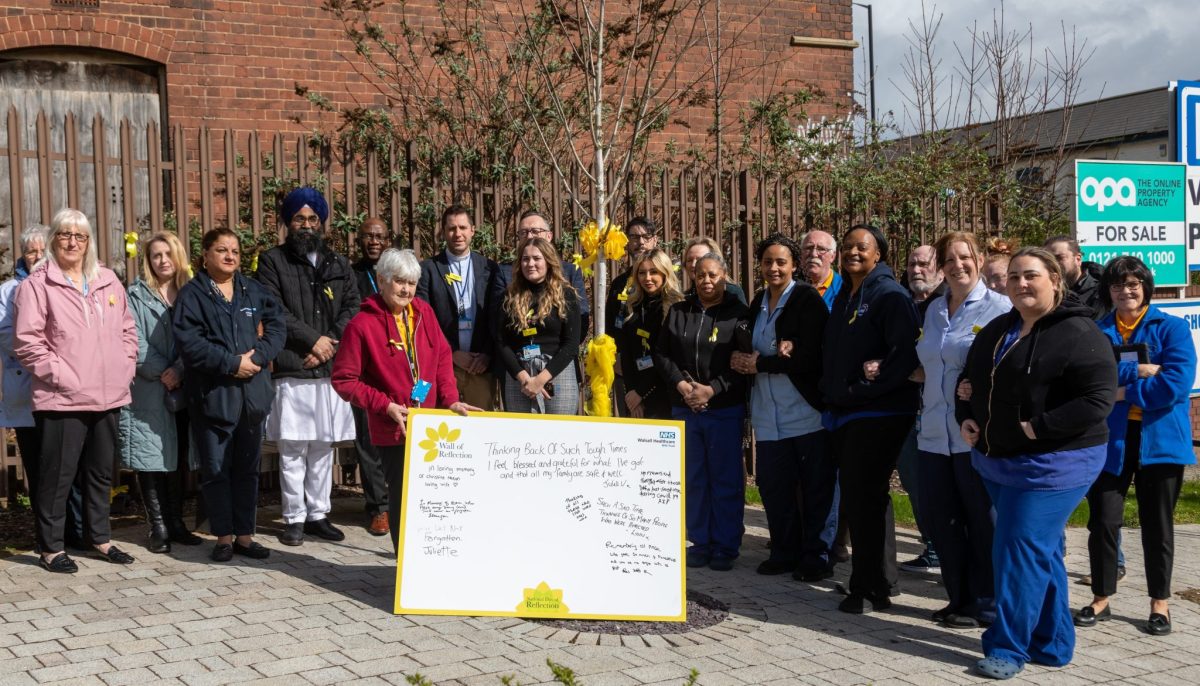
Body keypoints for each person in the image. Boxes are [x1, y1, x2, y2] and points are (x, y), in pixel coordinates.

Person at [957, 247, 1116, 680]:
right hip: (998, 461)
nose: (1021, 284)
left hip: (1056, 464)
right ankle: (1053, 643)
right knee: (1037, 552)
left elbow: (1098, 400)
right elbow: (969, 381)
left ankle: (1008, 647)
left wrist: (1037, 428)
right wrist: (965, 417)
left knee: (1016, 551)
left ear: (1055, 281)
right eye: (1014, 277)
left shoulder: (1080, 332)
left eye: (1031, 275)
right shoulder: (999, 330)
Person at [1075, 256, 1195, 637]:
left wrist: (1121, 391)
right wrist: (1139, 371)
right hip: (1110, 441)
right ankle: (1101, 597)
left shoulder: (1172, 328)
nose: (1125, 291)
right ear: (1108, 291)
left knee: (1157, 525)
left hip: (1160, 441)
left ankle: (1160, 603)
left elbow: (1175, 385)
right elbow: (1086, 380)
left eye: (1132, 284)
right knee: (1103, 521)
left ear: (1145, 286)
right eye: (1117, 285)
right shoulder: (1097, 332)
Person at [14, 208, 139, 573]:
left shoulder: (107, 280)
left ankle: (99, 538)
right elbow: (27, 342)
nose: (72, 242)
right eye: (65, 234)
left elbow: (128, 330)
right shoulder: (37, 285)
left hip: (108, 394)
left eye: (79, 236)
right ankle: (51, 548)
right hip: (62, 397)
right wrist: (61, 375)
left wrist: (124, 365)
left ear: (89, 242)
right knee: (58, 476)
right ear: (53, 239)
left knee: (100, 473)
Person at [333, 248, 479, 552]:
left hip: (430, 426)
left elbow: (441, 357)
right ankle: (404, 564)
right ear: (381, 280)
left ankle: (429, 559)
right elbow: (344, 380)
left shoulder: (423, 313)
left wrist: (451, 400)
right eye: (399, 281)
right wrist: (384, 404)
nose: (406, 290)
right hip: (393, 428)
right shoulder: (361, 325)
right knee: (403, 498)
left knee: (431, 498)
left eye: (411, 283)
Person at [820, 224, 920, 613]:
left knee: (864, 498)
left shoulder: (889, 295)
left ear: (879, 254)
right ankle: (880, 582)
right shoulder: (847, 295)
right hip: (848, 412)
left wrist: (862, 388)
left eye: (861, 247)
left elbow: (906, 355)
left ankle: (865, 587)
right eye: (847, 246)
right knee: (867, 498)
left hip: (879, 412)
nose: (852, 252)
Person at [911, 232, 1008, 628]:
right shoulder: (934, 310)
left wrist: (977, 387)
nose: (957, 266)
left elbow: (1009, 367)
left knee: (982, 522)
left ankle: (987, 603)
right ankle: (958, 600)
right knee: (945, 522)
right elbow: (926, 364)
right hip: (933, 433)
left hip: (973, 436)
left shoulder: (999, 308)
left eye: (964, 257)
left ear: (979, 259)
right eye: (949, 260)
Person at [256, 187, 361, 547]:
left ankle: (318, 514)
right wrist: (312, 342)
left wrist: (328, 343)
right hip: (293, 365)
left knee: (322, 447)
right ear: (288, 222)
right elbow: (273, 309)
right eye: (299, 218)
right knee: (292, 449)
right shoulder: (272, 261)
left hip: (328, 369)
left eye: (312, 218)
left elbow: (352, 307)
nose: (305, 225)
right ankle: (294, 517)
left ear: (321, 222)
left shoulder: (338, 263)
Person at [175, 228, 285, 562]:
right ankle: (223, 537)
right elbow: (190, 344)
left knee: (247, 469)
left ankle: (245, 537)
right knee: (216, 469)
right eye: (222, 250)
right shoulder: (192, 295)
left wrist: (258, 357)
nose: (230, 256)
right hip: (214, 396)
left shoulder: (253, 290)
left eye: (235, 251)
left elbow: (277, 326)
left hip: (252, 397)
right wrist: (231, 364)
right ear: (205, 255)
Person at [730, 234, 834, 581]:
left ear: (794, 265)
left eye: (781, 262)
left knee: (816, 488)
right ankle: (784, 551)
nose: (773, 268)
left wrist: (762, 363)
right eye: (767, 262)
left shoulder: (806, 299)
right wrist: (742, 358)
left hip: (804, 412)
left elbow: (811, 356)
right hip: (768, 413)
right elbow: (752, 345)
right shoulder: (758, 301)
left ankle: (817, 556)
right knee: (775, 488)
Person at [654, 251, 750, 571]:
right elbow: (662, 354)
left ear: (724, 276)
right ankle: (700, 541)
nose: (706, 281)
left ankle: (725, 545)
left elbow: (742, 363)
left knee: (725, 479)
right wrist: (682, 386)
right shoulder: (679, 311)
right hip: (686, 409)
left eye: (713, 275)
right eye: (700, 275)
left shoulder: (739, 314)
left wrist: (713, 389)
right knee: (693, 478)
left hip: (723, 408)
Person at [0, 225, 86, 550]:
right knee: (39, 469)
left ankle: (77, 532)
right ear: (22, 255)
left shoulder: (68, 284)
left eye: (41, 250)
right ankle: (48, 538)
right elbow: (8, 337)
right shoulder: (8, 291)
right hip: (27, 391)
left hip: (63, 390)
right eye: (30, 251)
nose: (37, 256)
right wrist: (49, 354)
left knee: (69, 466)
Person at [119, 231, 204, 553]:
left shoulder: (192, 293)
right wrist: (162, 371)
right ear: (148, 260)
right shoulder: (134, 295)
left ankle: (177, 523)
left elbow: (200, 336)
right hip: (149, 388)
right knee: (151, 458)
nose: (162, 260)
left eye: (168, 254)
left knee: (178, 456)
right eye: (156, 255)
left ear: (178, 256)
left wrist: (179, 369)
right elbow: (132, 340)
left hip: (184, 386)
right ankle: (158, 526)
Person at [417, 205, 502, 411]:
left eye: (463, 227)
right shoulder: (428, 269)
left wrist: (487, 354)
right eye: (452, 228)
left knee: (480, 423)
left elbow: (497, 316)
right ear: (443, 232)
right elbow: (424, 318)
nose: (458, 234)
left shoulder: (490, 268)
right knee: (440, 422)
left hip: (480, 367)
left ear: (472, 230)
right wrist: (452, 352)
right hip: (441, 365)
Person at [896, 244, 946, 576]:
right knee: (913, 481)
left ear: (940, 270)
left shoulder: (947, 305)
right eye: (912, 264)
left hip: (942, 411)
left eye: (924, 264)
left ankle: (947, 548)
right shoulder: (901, 302)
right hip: (904, 408)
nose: (916, 270)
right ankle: (932, 546)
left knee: (939, 485)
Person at [495, 238, 582, 415]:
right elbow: (501, 341)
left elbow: (571, 344)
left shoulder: (566, 295)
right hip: (520, 378)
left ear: (548, 261)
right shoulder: (509, 297)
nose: (530, 264)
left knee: (560, 430)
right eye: (525, 259)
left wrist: (541, 380)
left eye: (536, 258)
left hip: (556, 373)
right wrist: (524, 378)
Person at [348, 216, 393, 536]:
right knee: (368, 439)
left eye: (379, 236)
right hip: (366, 368)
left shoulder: (399, 274)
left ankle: (402, 500)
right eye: (368, 236)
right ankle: (379, 507)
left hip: (401, 367)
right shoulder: (351, 275)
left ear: (388, 240)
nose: (374, 241)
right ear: (359, 241)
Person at [616, 248, 683, 420]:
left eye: (653, 272)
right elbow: (627, 354)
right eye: (642, 273)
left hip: (665, 392)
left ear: (664, 273)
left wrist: (641, 392)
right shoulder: (632, 306)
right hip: (636, 395)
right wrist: (632, 392)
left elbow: (667, 356)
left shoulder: (676, 307)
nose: (647, 278)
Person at [500, 210, 590, 333]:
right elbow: (498, 323)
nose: (529, 236)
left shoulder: (570, 271)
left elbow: (581, 317)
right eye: (523, 232)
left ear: (549, 236)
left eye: (535, 231)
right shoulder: (504, 272)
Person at [605, 216, 659, 334]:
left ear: (655, 240)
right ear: (627, 242)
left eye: (646, 237)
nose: (641, 242)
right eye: (634, 237)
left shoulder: (664, 280)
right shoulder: (619, 284)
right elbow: (610, 326)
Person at [1044, 236, 1107, 320]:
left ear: (1078, 259)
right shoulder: (1043, 292)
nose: (1053, 263)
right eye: (1048, 260)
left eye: (1059, 258)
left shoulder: (1102, 292)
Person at [682, 237, 747, 305]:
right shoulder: (685, 297)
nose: (693, 264)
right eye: (689, 260)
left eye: (700, 259)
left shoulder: (732, 293)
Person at [799, 230, 842, 311]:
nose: (813, 254)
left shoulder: (843, 289)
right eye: (808, 248)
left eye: (821, 249)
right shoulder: (792, 287)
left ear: (832, 256)